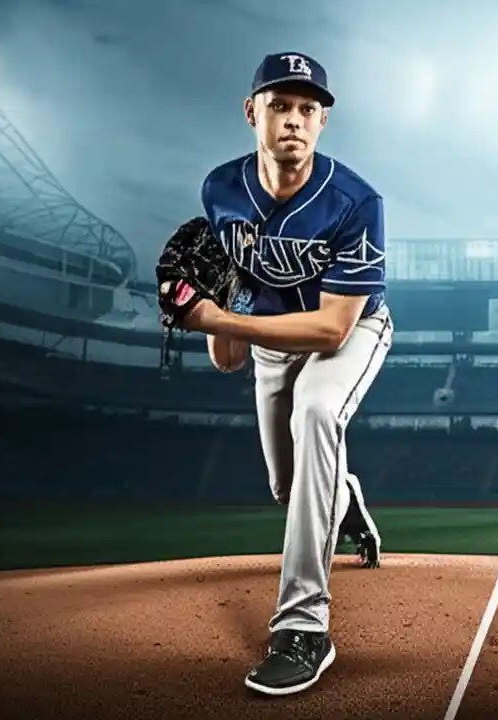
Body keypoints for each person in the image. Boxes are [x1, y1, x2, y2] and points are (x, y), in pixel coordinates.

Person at [180, 51, 393, 696]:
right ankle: (345, 498)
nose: (293, 120)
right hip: (270, 344)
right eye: (280, 106)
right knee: (286, 485)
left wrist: (222, 320)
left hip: (348, 334)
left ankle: (304, 628)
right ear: (253, 113)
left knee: (317, 411)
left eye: (307, 108)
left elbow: (330, 328)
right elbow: (229, 334)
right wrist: (212, 318)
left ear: (323, 121)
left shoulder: (357, 200)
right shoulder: (220, 189)